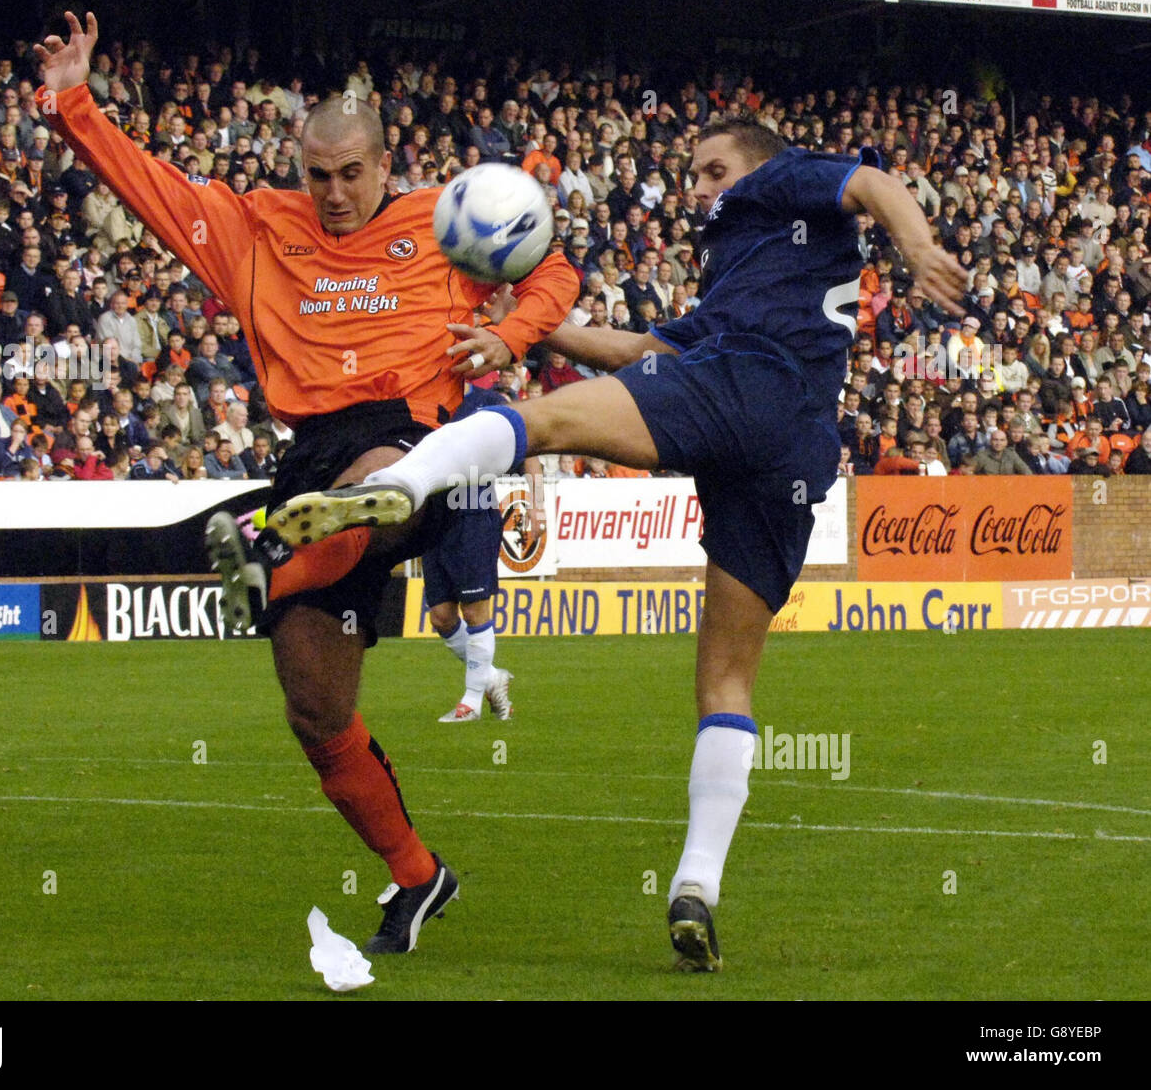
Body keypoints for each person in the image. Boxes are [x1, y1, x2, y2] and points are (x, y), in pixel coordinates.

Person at [270, 119, 967, 970]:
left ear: (758, 168)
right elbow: (644, 348)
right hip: (795, 440)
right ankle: (696, 886)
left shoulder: (778, 184)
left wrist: (920, 246)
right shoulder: (750, 270)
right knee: (726, 675)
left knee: (540, 421)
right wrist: (540, 330)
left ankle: (401, 485)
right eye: (695, 174)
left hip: (746, 382)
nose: (700, 188)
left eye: (713, 170)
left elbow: (870, 184)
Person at [36, 11, 576, 955]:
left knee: (388, 480)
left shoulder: (443, 223)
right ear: (298, 164)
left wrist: (509, 335)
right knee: (315, 706)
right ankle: (419, 874)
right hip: (309, 459)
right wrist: (77, 101)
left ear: (382, 162)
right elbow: (150, 185)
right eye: (316, 175)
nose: (332, 194)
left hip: (412, 438)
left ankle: (270, 555)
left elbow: (553, 270)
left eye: (350, 174)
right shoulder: (254, 229)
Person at [423, 389, 543, 722]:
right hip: (432, 518)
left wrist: (537, 505)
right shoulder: (420, 399)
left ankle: (471, 702)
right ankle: (491, 677)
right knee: (441, 617)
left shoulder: (488, 402)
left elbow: (530, 452)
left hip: (473, 515)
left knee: (476, 610)